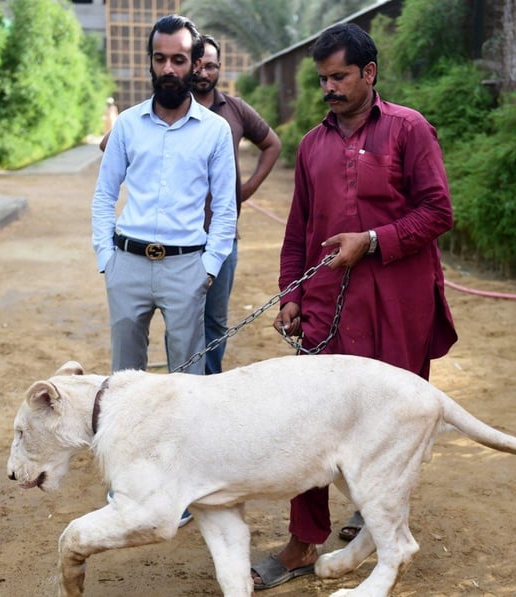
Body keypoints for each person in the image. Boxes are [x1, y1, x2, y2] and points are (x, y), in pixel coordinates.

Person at [251, 23, 457, 590]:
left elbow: (439, 212)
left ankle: (378, 524)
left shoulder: (410, 131)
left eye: (339, 76)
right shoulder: (313, 144)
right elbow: (298, 232)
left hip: (399, 306)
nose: (330, 88)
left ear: (369, 73)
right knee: (306, 425)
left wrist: (371, 241)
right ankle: (301, 542)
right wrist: (291, 293)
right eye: (323, 79)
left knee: (385, 427)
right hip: (327, 311)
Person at [92, 13, 237, 377]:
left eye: (178, 59)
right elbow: (104, 194)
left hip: (187, 268)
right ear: (151, 63)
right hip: (127, 264)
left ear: (195, 65)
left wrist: (210, 266)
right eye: (160, 59)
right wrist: (107, 258)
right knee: (124, 381)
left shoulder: (215, 131)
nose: (168, 68)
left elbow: (224, 207)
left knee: (188, 382)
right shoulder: (127, 124)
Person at [192, 35, 282, 374]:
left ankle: (209, 382)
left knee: (214, 319)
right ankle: (184, 383)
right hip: (177, 238)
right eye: (197, 63)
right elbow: (113, 144)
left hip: (223, 235)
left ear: (220, 69)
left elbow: (272, 144)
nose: (204, 71)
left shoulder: (235, 109)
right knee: (183, 317)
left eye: (211, 65)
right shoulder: (169, 106)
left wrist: (245, 190)